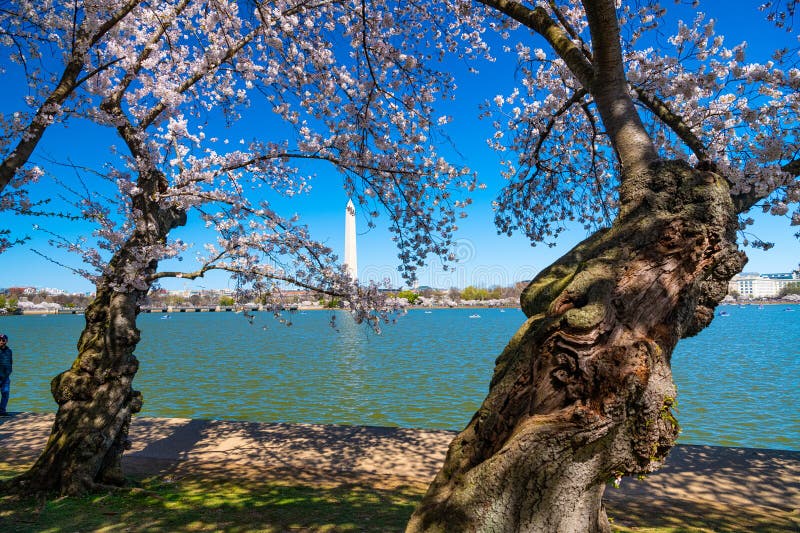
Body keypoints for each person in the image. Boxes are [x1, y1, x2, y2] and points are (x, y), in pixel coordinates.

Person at [0, 334, 11, 416]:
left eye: (3, 340)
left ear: (6, 341)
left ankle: (2, 411)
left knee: (5, 394)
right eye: (0, 340)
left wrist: (9, 371)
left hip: (6, 377)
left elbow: (11, 362)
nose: (1, 341)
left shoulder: (9, 351)